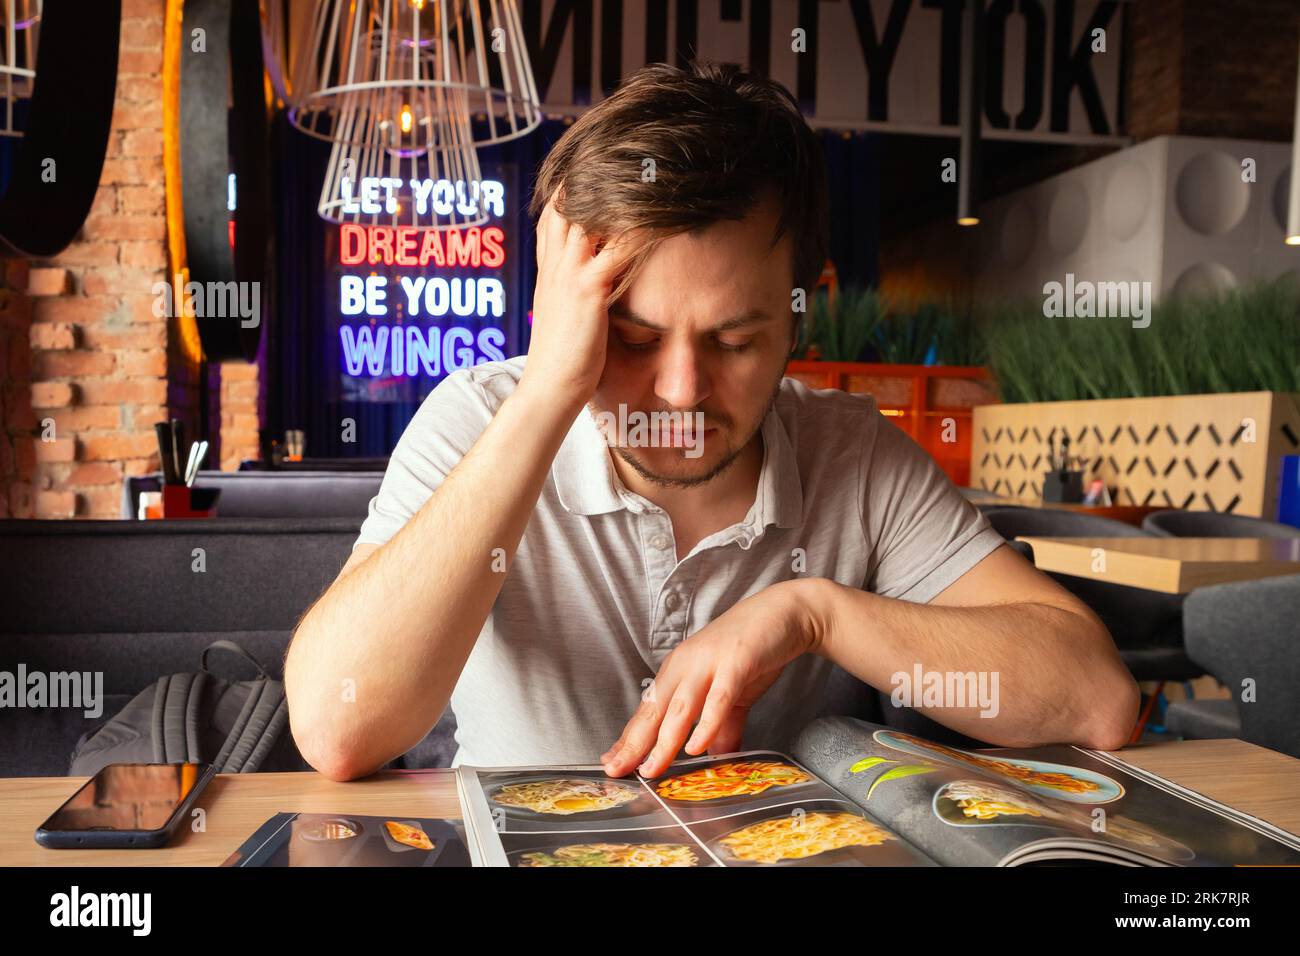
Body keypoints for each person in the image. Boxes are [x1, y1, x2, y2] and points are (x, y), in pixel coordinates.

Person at [285, 62, 1138, 782]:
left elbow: (1098, 702)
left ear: (806, 314)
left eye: (734, 339)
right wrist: (547, 392)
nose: (682, 392)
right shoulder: (478, 418)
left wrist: (814, 614)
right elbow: (337, 730)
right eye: (632, 338)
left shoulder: (854, 452)